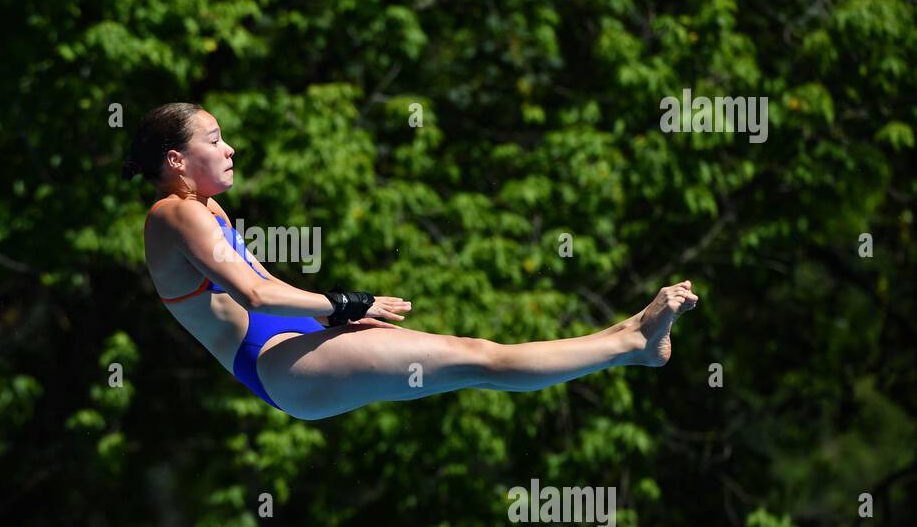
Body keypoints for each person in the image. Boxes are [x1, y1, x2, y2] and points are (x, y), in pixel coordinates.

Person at [123, 102, 699, 421]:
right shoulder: (174, 215)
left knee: (474, 358)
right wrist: (346, 302)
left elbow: (267, 282)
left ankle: (627, 336)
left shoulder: (205, 209)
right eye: (215, 139)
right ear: (177, 159)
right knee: (477, 361)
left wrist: (330, 318)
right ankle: (631, 346)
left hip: (288, 343)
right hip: (277, 364)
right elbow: (255, 297)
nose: (229, 149)